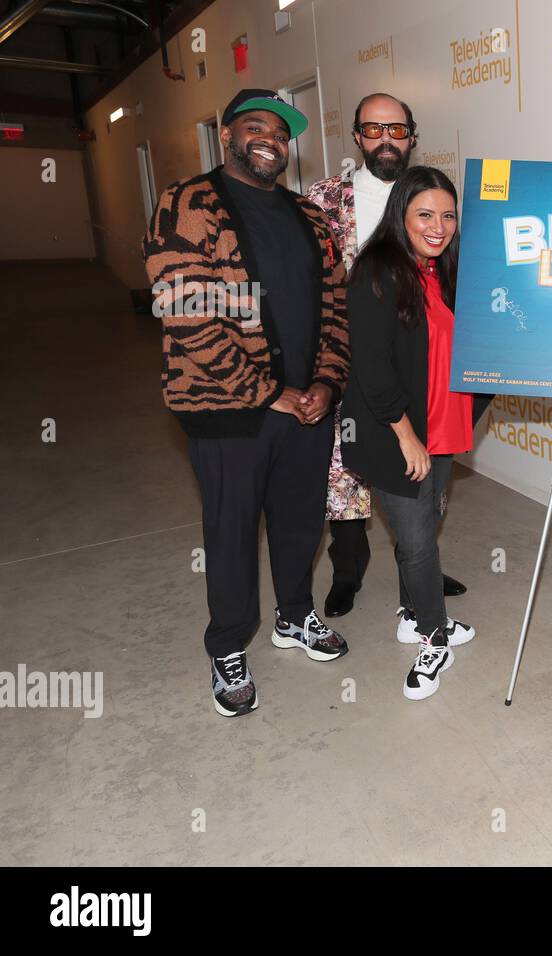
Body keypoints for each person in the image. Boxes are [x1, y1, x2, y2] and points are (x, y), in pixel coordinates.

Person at [142, 89, 350, 718]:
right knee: (231, 531)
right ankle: (228, 646)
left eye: (281, 132)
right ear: (227, 135)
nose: (270, 138)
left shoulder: (310, 216)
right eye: (255, 127)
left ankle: (295, 615)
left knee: (298, 522)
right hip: (225, 409)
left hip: (307, 408)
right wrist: (269, 392)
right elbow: (187, 314)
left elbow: (335, 309)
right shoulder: (188, 202)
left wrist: (326, 383)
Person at [308, 93, 470, 618]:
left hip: (413, 381)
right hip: (347, 364)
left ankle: (417, 580)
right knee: (344, 484)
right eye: (374, 129)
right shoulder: (325, 198)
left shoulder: (442, 253)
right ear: (356, 135)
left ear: (411, 136)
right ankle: (350, 576)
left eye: (396, 130)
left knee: (416, 514)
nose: (385, 138)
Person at [341, 166, 476, 700]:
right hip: (397, 431)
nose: (438, 226)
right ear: (401, 214)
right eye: (425, 214)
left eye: (447, 215)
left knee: (425, 523)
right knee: (418, 543)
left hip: (442, 424)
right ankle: (433, 638)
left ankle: (410, 614)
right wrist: (405, 435)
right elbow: (372, 367)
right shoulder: (377, 271)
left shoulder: (444, 269)